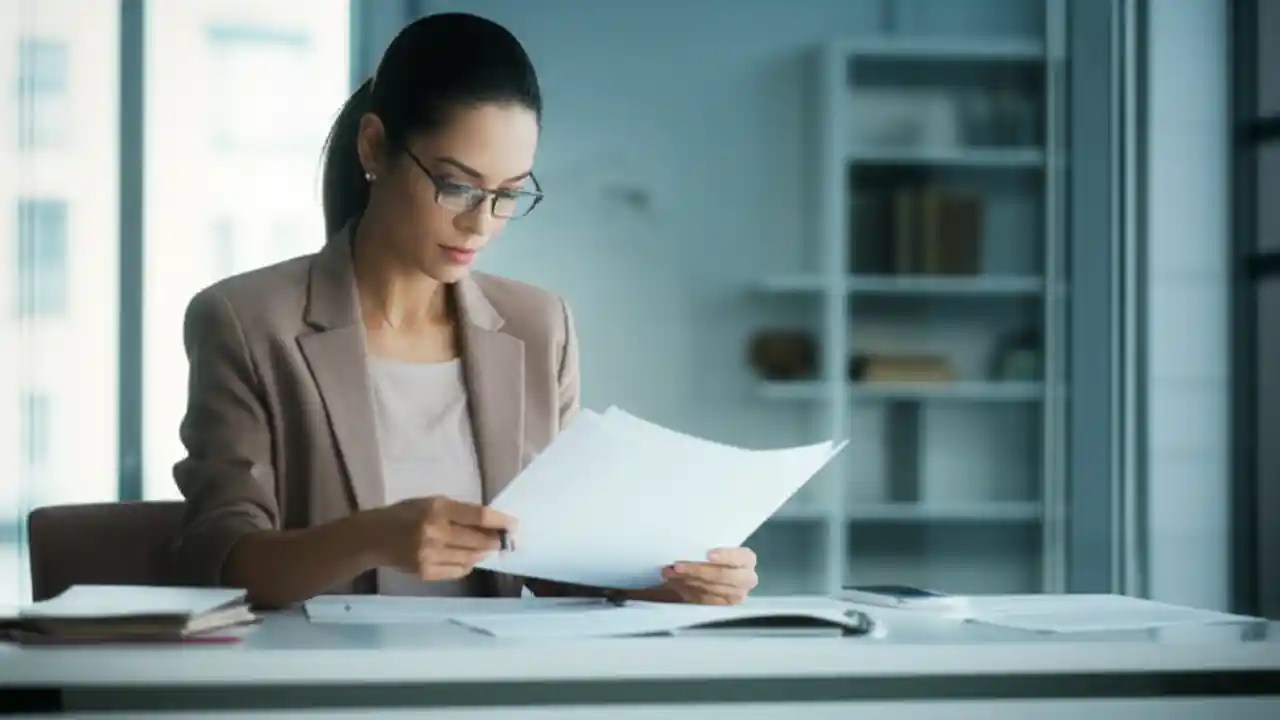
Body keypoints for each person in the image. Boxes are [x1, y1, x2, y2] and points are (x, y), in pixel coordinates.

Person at [170, 13, 759, 608]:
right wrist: (371, 537)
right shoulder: (246, 322)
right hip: (321, 686)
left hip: (491, 683)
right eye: (457, 185)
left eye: (508, 194)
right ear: (375, 147)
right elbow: (219, 564)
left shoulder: (539, 327)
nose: (481, 223)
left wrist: (675, 581)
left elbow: (556, 558)